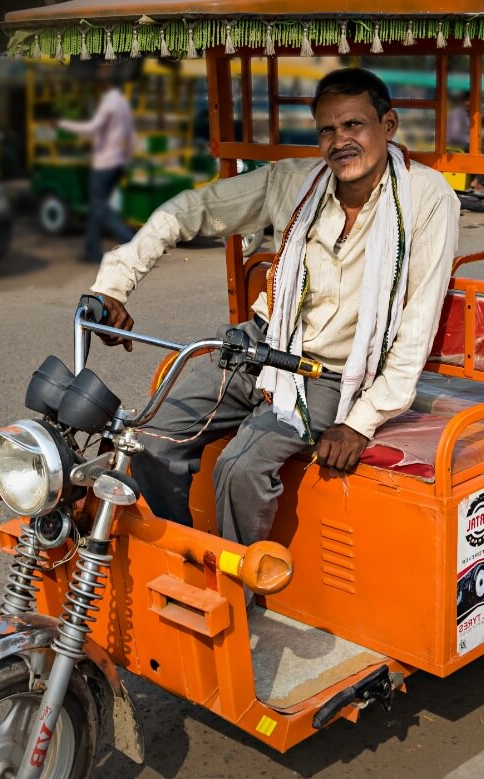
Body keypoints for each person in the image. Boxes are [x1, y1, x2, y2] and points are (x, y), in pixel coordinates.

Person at [80, 68, 461, 544]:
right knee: (151, 440)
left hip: (334, 373)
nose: (340, 141)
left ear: (388, 125)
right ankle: (184, 556)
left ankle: (240, 594)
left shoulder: (428, 198)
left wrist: (360, 422)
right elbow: (187, 211)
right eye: (327, 129)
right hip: (262, 341)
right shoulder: (294, 182)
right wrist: (114, 284)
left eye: (354, 125)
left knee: (240, 470)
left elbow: (417, 322)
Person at [59, 64, 136, 263]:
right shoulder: (123, 103)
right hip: (117, 163)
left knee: (100, 207)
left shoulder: (109, 103)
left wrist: (62, 124)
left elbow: (92, 127)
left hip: (104, 163)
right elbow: (130, 134)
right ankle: (92, 250)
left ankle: (132, 243)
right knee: (96, 208)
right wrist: (127, 160)